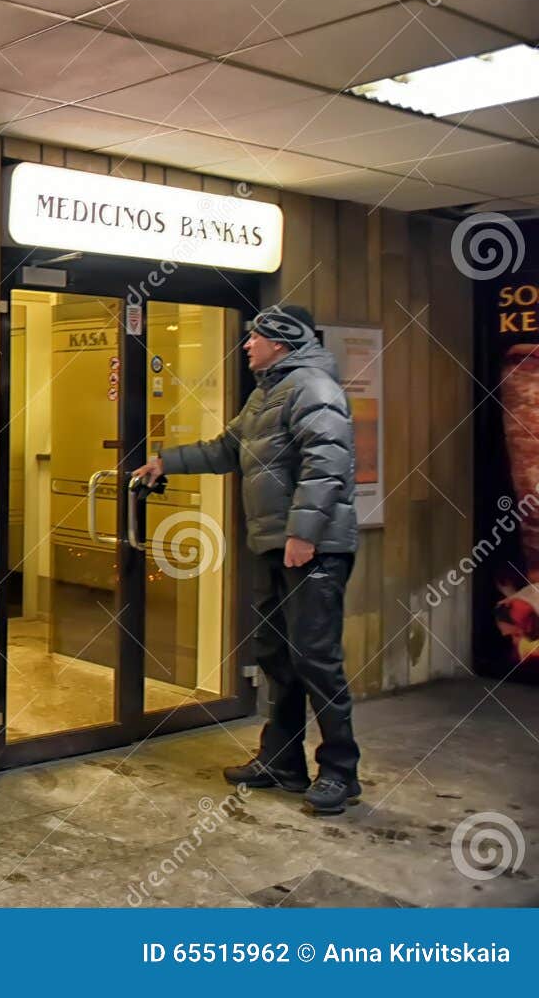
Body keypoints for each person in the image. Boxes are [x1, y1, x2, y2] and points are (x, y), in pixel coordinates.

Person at [132, 303, 362, 815]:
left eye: (255, 336)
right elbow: (226, 449)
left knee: (316, 658)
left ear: (280, 341)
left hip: (313, 549)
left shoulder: (313, 387)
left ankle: (340, 772)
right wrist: (166, 462)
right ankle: (282, 760)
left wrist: (303, 534)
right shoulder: (267, 394)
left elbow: (327, 464)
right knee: (277, 656)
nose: (246, 344)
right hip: (274, 544)